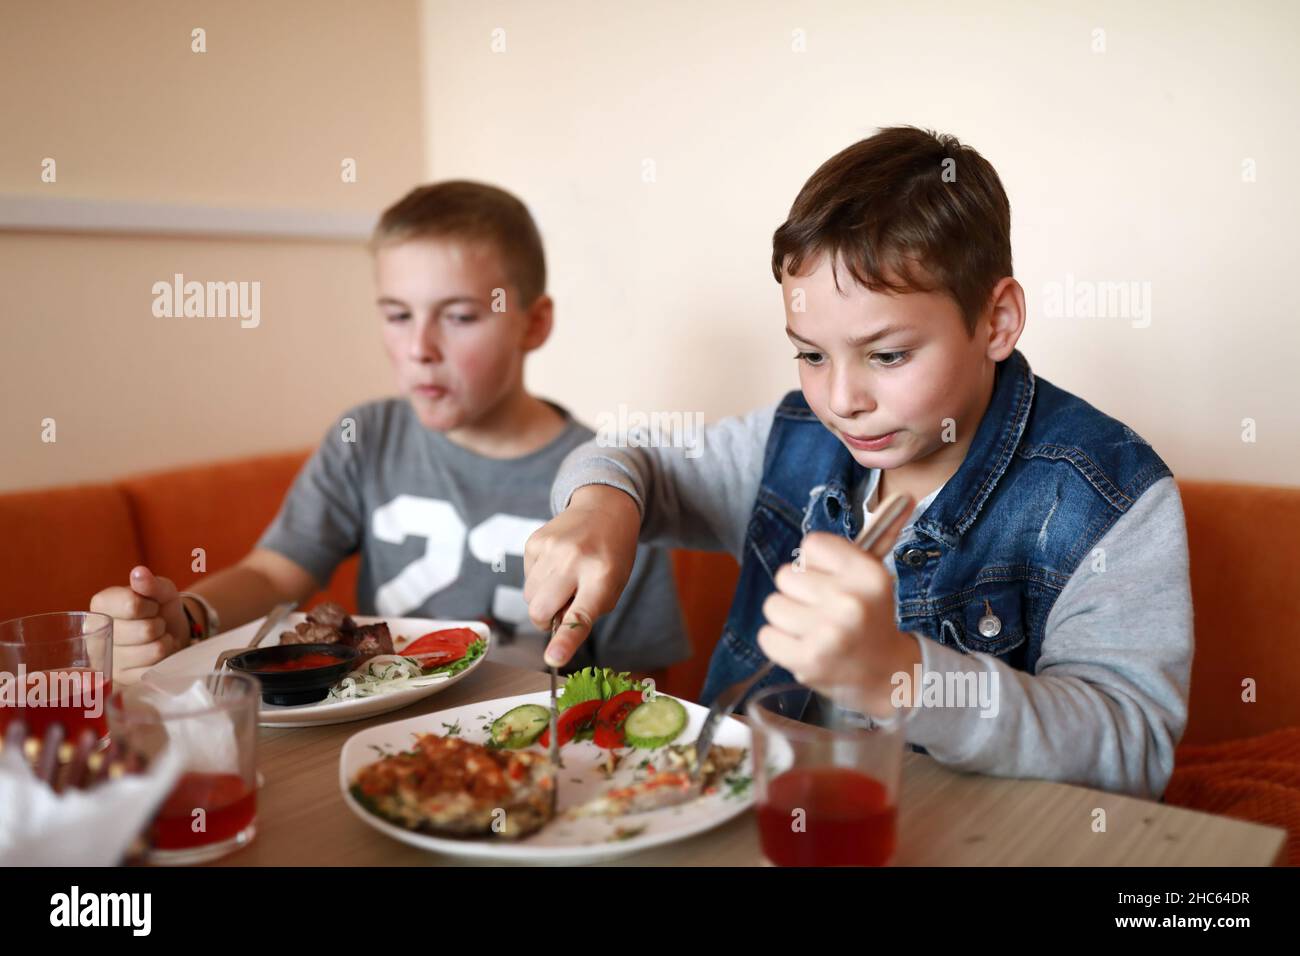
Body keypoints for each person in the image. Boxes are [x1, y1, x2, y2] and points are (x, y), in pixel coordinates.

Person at [524, 127, 1192, 799]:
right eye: (811, 355)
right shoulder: (789, 443)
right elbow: (627, 457)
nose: (842, 401)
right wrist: (600, 505)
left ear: (997, 321)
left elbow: (1131, 746)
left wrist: (901, 675)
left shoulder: (1110, 496)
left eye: (888, 355)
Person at [92, 181, 688, 684]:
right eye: (398, 315)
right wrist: (191, 618)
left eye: (458, 316)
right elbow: (276, 574)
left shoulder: (609, 489)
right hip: (377, 745)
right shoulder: (366, 436)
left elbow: (637, 687)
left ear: (533, 324)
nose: (418, 349)